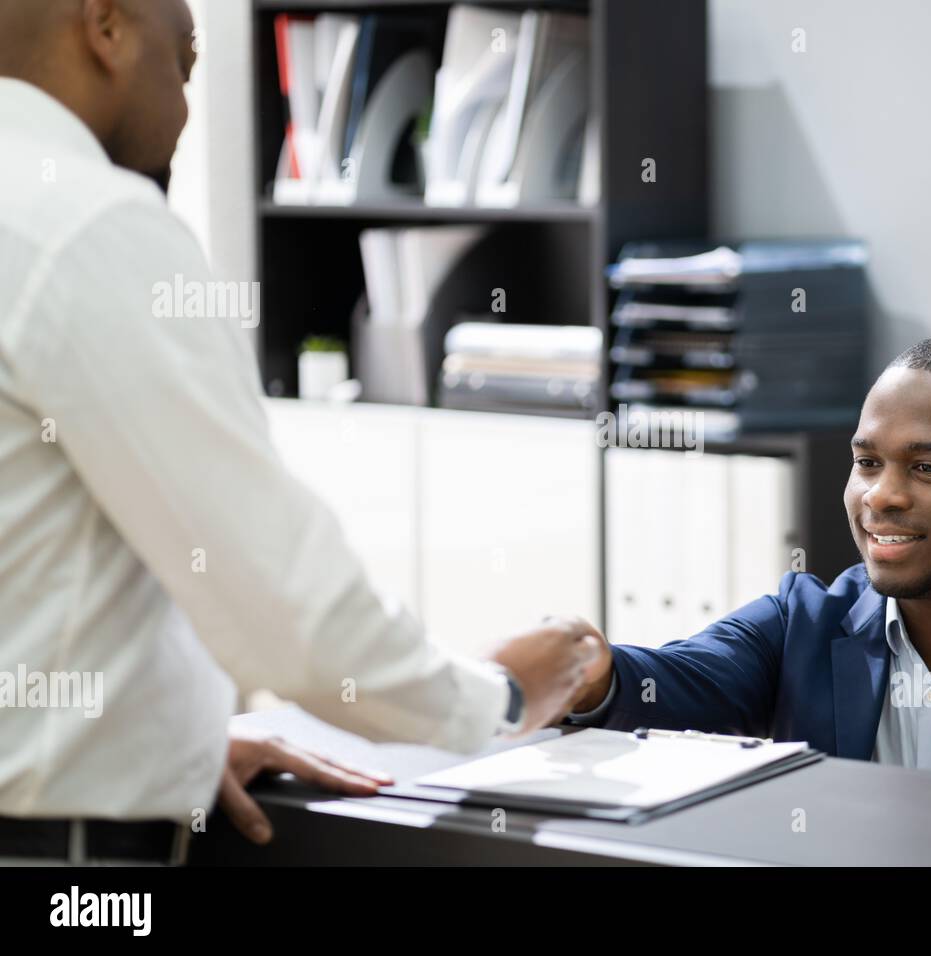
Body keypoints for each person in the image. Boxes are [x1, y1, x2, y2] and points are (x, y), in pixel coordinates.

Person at [0, 0, 600, 863]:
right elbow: (284, 605)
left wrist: (170, 747)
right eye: (187, 57)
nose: (188, 97)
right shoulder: (93, 225)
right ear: (105, 28)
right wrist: (500, 697)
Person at [567, 338, 931, 792]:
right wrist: (589, 671)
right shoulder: (800, 627)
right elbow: (668, 684)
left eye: (929, 468)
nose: (880, 496)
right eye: (866, 461)